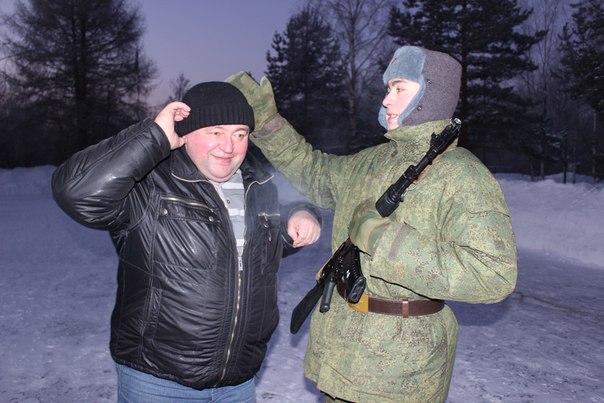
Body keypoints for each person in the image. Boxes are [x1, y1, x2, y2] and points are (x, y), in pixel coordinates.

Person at [227, 45, 518, 402]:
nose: (386, 99)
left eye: (399, 88)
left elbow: (493, 275)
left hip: (401, 372)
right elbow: (312, 171)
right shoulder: (371, 161)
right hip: (343, 353)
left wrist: (386, 242)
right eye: (388, 88)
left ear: (432, 94)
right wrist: (267, 122)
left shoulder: (462, 175)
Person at [52, 81, 322, 402]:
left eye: (240, 134)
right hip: (159, 383)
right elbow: (76, 191)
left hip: (237, 383)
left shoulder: (259, 186)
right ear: (185, 134)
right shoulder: (149, 184)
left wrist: (302, 212)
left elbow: (259, 244)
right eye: (215, 132)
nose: (229, 146)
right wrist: (154, 136)